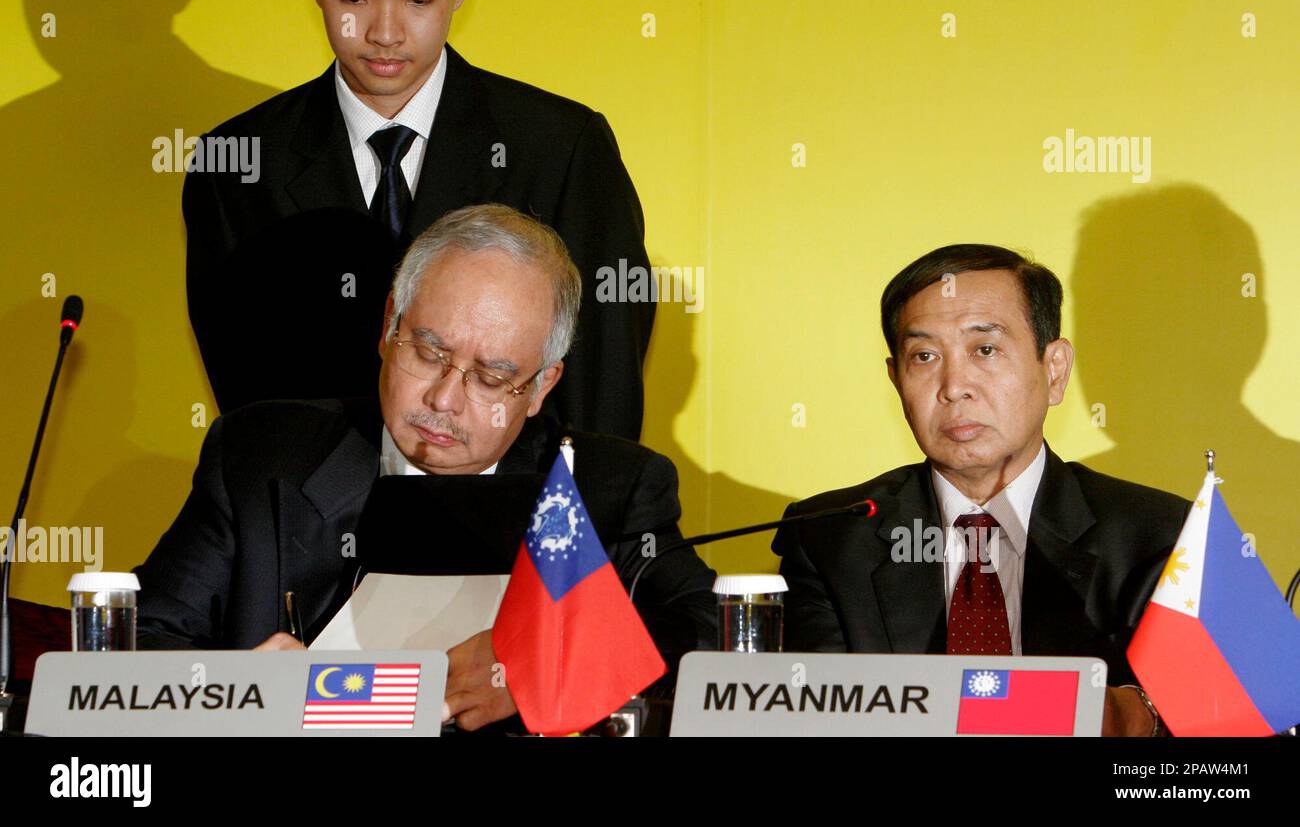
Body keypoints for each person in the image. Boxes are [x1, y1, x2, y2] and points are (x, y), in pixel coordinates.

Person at [139, 204, 713, 731]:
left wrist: (547, 657)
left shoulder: (606, 487)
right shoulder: (266, 455)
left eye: (491, 378)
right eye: (429, 353)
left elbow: (713, 636)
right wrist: (238, 691)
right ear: (389, 325)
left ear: (541, 387)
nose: (444, 399)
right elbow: (140, 639)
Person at [184, 0, 653, 440]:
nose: (383, 32)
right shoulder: (238, 167)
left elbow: (600, 394)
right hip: (314, 523)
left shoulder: (560, 149)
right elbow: (254, 413)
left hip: (512, 517)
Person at [772, 244, 1189, 736]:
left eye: (984, 349)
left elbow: (1226, 730)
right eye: (924, 356)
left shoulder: (1163, 537)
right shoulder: (832, 539)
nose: (954, 385)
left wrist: (1137, 715)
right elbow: (815, 727)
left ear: (1054, 369)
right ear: (895, 379)